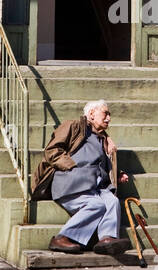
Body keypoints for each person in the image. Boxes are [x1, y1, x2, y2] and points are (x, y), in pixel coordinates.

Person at [33, 99, 131, 255]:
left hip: (94, 186)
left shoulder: (102, 138)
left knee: (112, 201)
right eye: (105, 113)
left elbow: (98, 162)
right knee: (97, 205)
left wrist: (117, 173)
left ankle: (107, 239)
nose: (109, 118)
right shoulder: (73, 126)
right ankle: (62, 237)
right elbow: (52, 150)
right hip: (71, 182)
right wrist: (72, 168)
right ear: (91, 114)